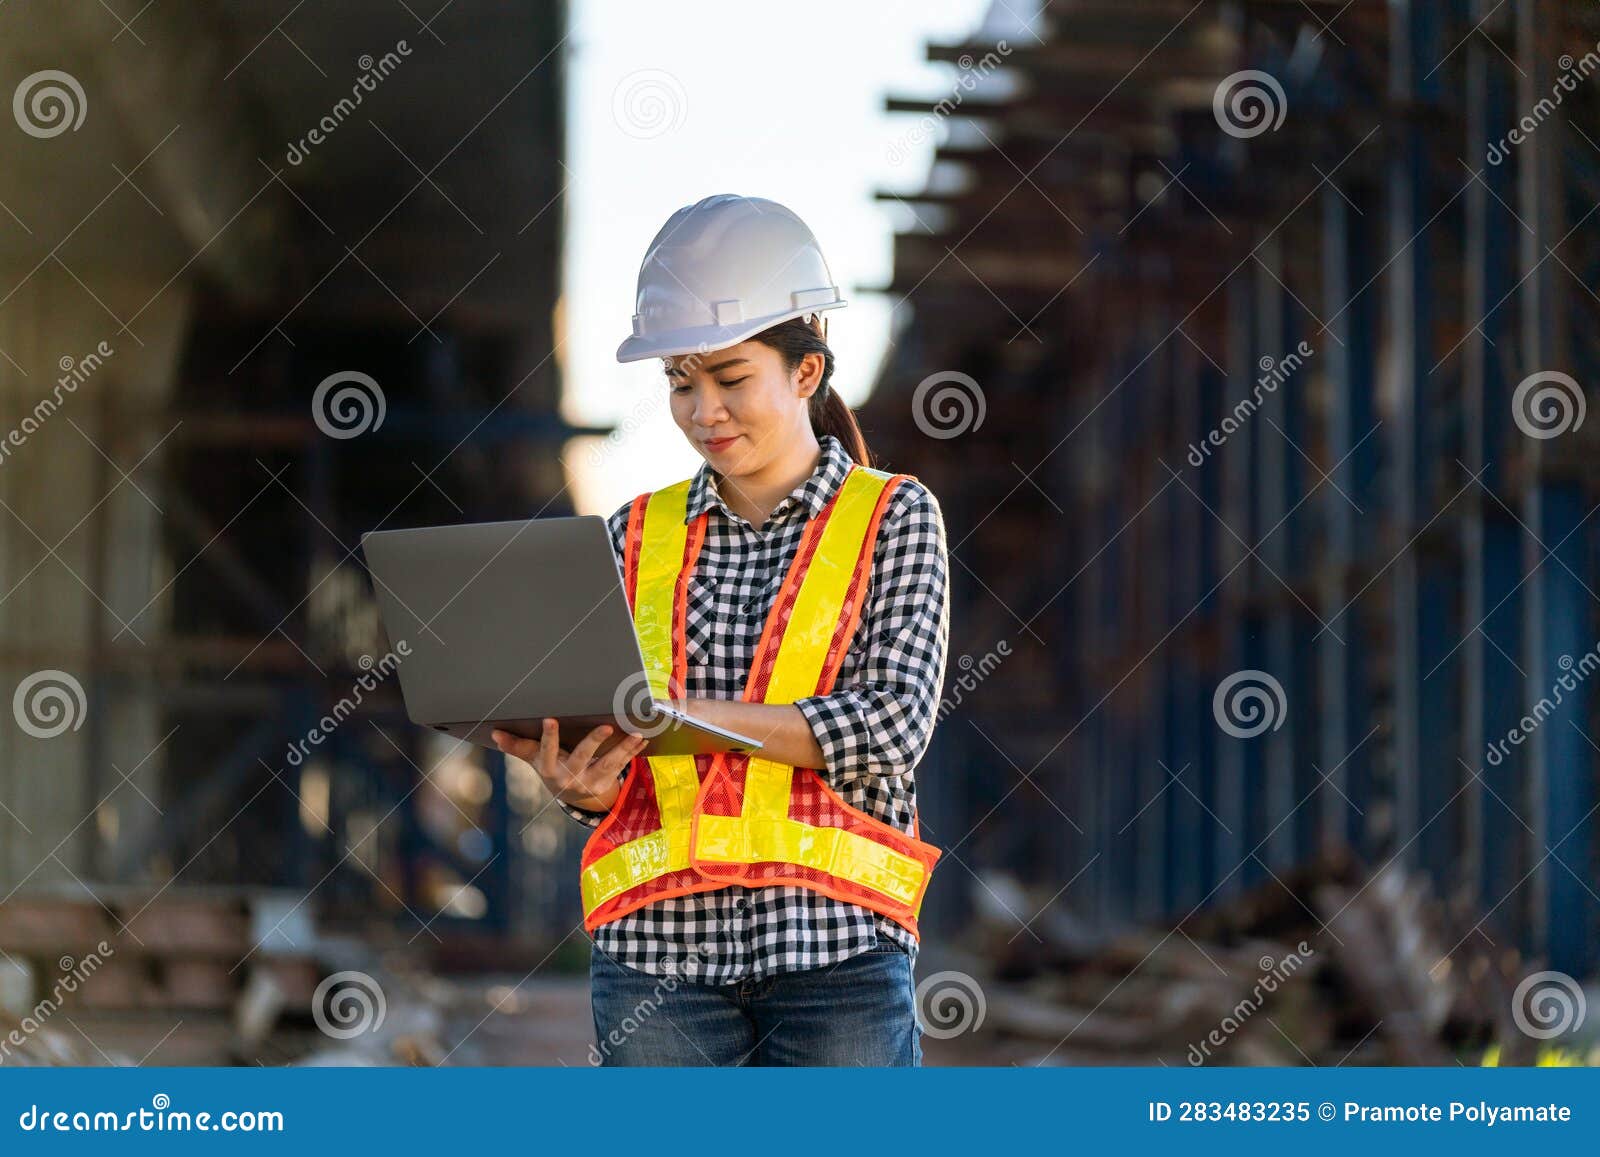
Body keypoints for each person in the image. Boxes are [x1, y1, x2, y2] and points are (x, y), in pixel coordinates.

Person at [492, 194, 950, 1066]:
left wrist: (684, 714)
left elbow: (891, 725)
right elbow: (621, 756)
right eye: (679, 381)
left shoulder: (893, 517)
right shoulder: (632, 535)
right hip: (657, 958)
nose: (705, 410)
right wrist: (581, 782)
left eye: (731, 378)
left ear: (806, 372)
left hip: (836, 951)